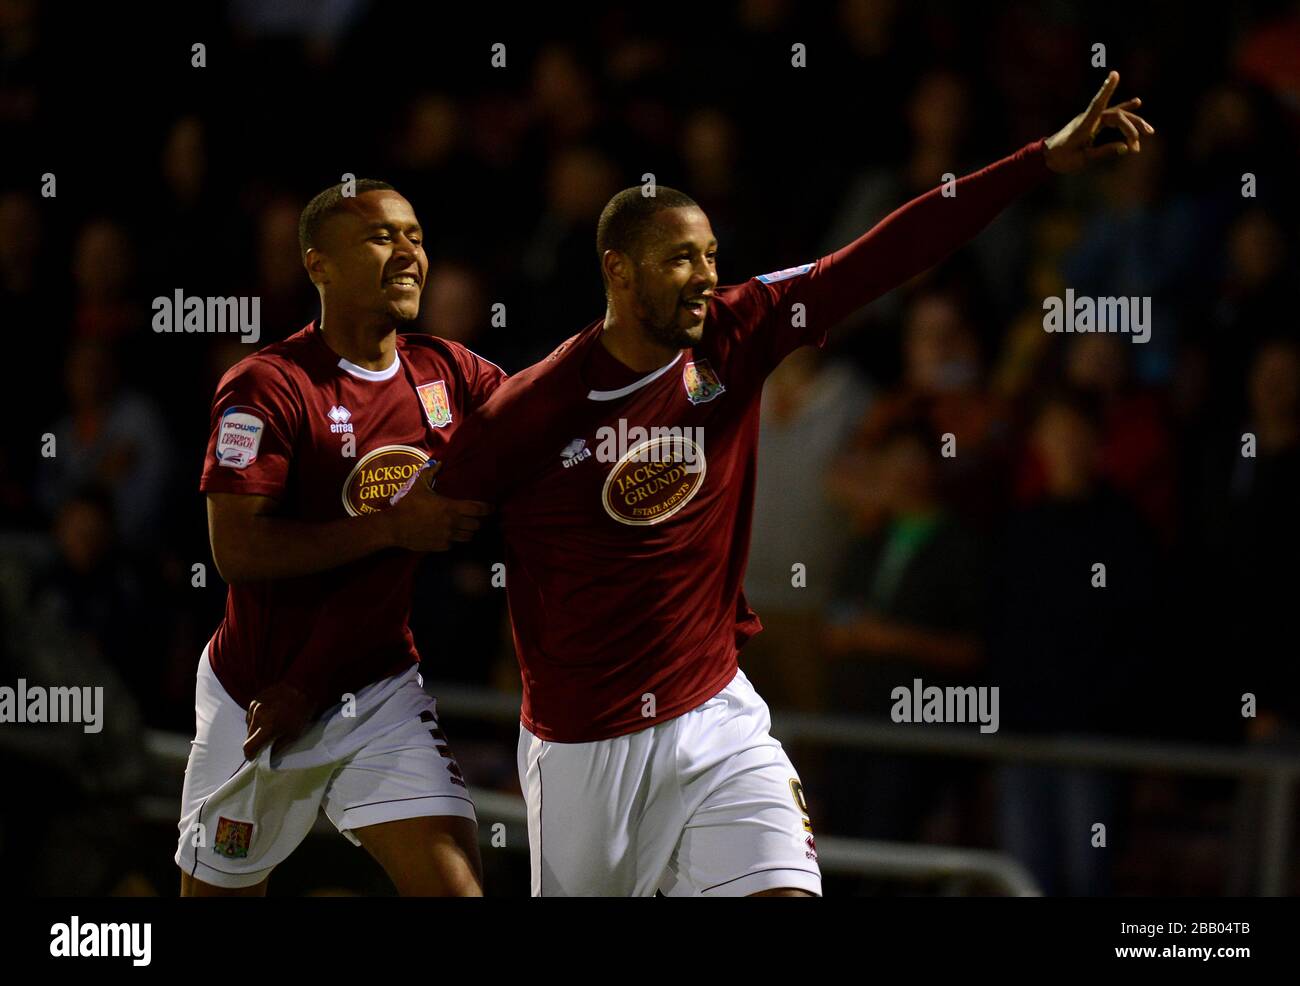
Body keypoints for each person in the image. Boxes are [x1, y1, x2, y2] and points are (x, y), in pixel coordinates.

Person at [410, 72, 1154, 897]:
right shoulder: (532, 408)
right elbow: (419, 522)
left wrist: (1038, 163)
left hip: (716, 710)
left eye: (710, 256)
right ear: (618, 272)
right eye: (679, 259)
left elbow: (888, 254)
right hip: (587, 745)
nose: (703, 274)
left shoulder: (738, 331)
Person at [175, 179, 500, 896]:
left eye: (415, 236)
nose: (410, 253)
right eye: (382, 237)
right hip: (256, 696)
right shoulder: (266, 385)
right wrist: (392, 526)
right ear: (318, 266)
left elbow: (545, 411)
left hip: (377, 686)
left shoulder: (447, 373)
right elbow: (238, 552)